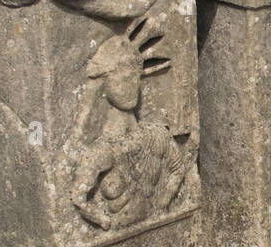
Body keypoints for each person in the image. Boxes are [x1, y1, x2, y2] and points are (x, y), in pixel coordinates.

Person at [68, 34, 185, 231]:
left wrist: (162, 204)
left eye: (135, 77)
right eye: (122, 77)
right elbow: (78, 198)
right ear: (105, 81)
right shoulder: (100, 151)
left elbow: (178, 169)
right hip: (115, 239)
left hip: (161, 228)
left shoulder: (157, 135)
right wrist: (103, 221)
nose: (131, 85)